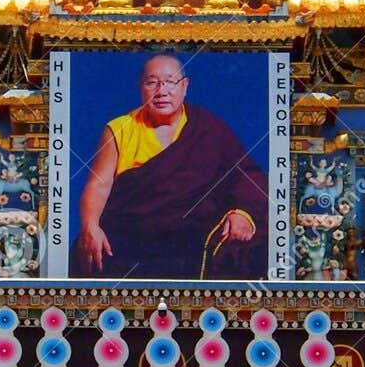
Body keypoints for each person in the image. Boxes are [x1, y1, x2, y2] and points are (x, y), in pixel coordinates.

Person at [73, 54, 268, 280]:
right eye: (152, 82)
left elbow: (246, 175)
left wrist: (243, 213)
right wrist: (90, 227)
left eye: (170, 81)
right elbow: (98, 184)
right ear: (141, 88)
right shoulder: (120, 129)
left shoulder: (207, 127)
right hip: (132, 235)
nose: (161, 91)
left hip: (193, 233)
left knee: (245, 249)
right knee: (94, 251)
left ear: (185, 86)